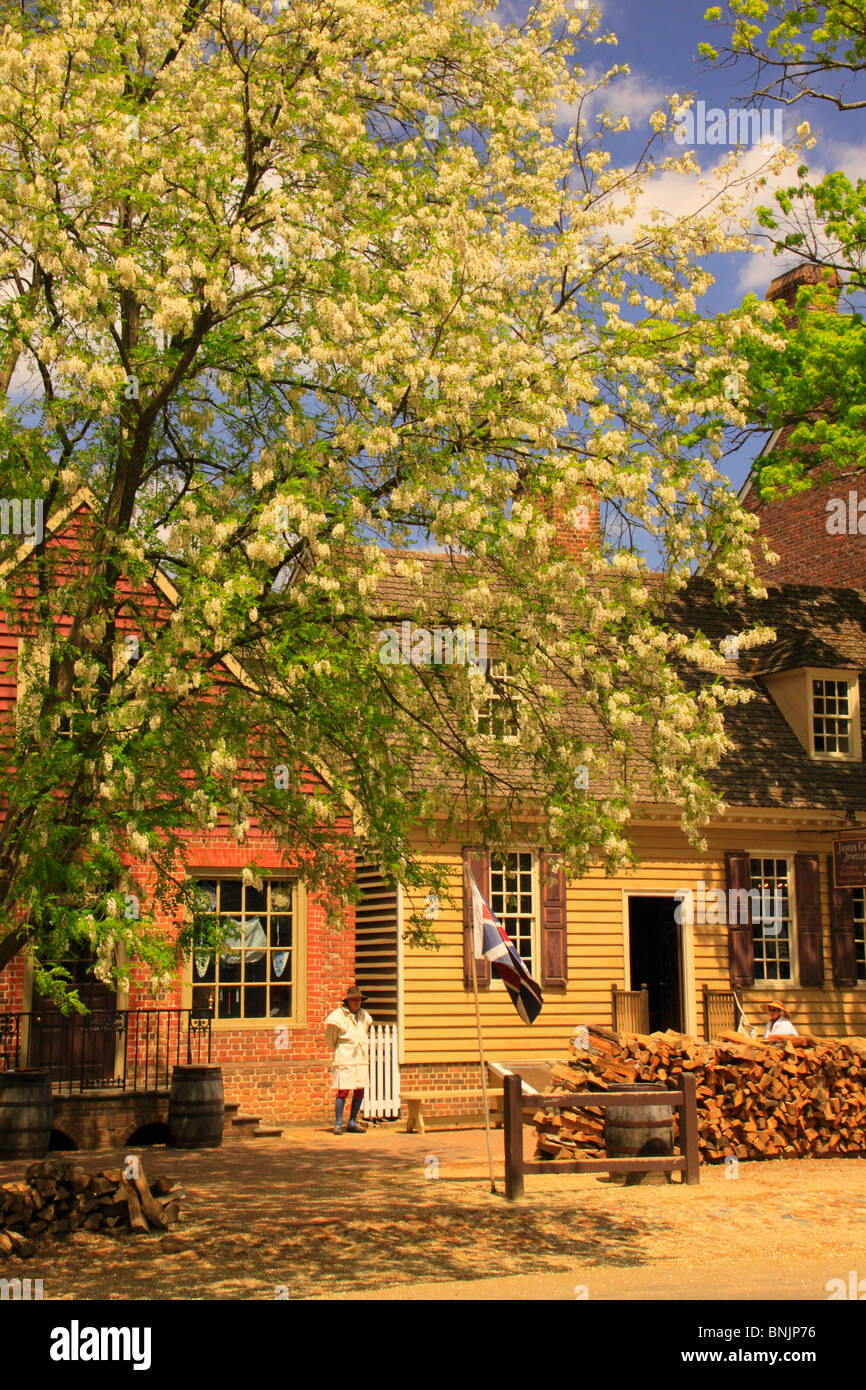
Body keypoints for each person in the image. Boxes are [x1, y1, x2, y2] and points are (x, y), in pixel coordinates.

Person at [324, 984, 372, 1134]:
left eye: (358, 1000)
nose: (356, 1003)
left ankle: (352, 1121)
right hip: (345, 1055)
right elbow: (330, 1039)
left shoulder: (364, 1016)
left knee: (359, 1089)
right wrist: (341, 1049)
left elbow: (364, 1032)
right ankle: (338, 1123)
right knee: (343, 1090)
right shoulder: (338, 1016)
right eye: (353, 1000)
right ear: (348, 1001)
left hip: (360, 1056)